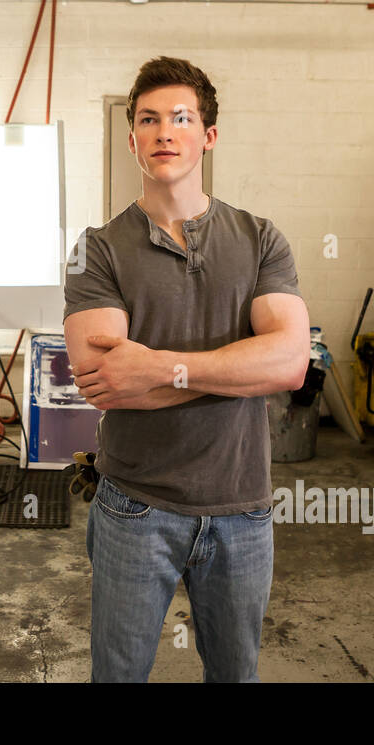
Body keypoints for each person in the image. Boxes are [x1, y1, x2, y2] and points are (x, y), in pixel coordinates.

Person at [63, 55, 311, 682]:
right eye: (149, 120)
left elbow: (288, 363)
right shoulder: (97, 248)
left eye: (180, 118)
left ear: (208, 135)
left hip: (242, 509)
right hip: (134, 508)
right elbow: (108, 384)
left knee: (235, 677)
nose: (164, 132)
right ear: (132, 140)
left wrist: (159, 369)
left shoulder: (260, 239)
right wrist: (233, 374)